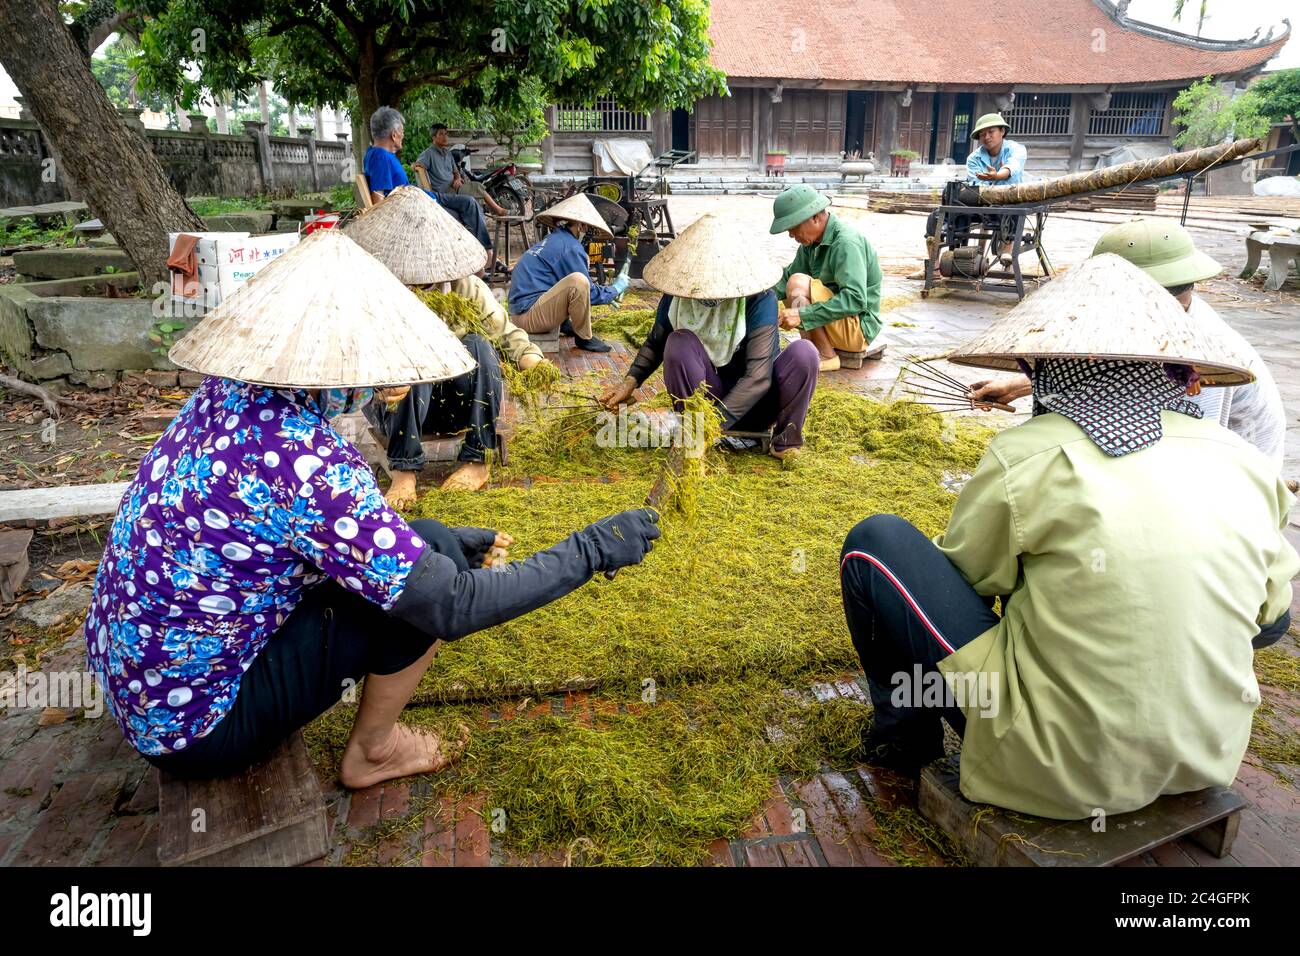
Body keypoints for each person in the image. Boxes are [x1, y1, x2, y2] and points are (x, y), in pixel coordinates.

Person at [85, 229, 660, 785]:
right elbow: (453, 608)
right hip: (193, 727)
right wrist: (590, 550)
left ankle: (428, 563)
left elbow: (306, 536)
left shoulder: (225, 395)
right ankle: (375, 753)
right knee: (419, 599)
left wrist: (442, 540)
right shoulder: (308, 467)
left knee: (431, 546)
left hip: (138, 675)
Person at [840, 253, 1296, 820]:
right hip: (1205, 755)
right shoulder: (1244, 461)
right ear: (1170, 366)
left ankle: (903, 737)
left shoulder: (1028, 453)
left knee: (875, 542)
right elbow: (1274, 618)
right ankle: (1169, 708)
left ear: (1049, 367)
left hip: (1053, 764)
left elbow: (972, 579)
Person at [972, 219, 1289, 477]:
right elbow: (1120, 372)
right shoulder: (1150, 322)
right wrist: (1020, 385)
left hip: (1231, 479)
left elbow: (1187, 446)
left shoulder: (1204, 358)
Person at [344, 186, 555, 497]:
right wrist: (379, 383)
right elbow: (352, 352)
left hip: (453, 404)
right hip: (392, 406)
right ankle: (404, 471)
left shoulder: (462, 285)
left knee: (480, 347)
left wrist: (531, 360)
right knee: (415, 354)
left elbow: (503, 330)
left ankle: (477, 460)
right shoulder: (374, 289)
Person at [597, 214, 820, 461]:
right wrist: (629, 382)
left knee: (805, 353)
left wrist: (713, 425)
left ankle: (785, 440)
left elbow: (758, 377)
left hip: (758, 404)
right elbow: (656, 342)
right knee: (678, 341)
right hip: (705, 400)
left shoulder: (759, 298)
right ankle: (693, 433)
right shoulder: (678, 294)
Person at [770, 184, 883, 372]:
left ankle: (825, 355)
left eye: (793, 227)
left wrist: (801, 314)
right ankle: (812, 351)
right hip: (838, 326)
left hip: (857, 330)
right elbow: (784, 282)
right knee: (793, 282)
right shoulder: (810, 245)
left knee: (798, 283)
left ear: (814, 217)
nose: (791, 235)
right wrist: (752, 297)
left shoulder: (846, 243)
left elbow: (855, 300)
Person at [362, 107, 495, 267]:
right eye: (402, 131)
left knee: (469, 204)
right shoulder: (380, 157)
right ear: (394, 133)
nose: (403, 135)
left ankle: (486, 255)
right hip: (419, 207)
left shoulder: (377, 154)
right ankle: (483, 258)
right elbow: (378, 200)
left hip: (424, 197)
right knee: (464, 210)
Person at [508, 192, 623, 353]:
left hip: (521, 312)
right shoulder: (570, 248)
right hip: (528, 318)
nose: (589, 232)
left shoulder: (555, 239)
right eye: (588, 227)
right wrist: (615, 289)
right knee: (578, 281)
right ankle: (584, 338)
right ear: (581, 225)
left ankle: (565, 323)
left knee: (563, 278)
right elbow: (588, 292)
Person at [414, 123, 508, 217]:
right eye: (441, 134)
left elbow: (456, 172)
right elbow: (417, 166)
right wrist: (428, 191)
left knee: (476, 187)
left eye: (446, 134)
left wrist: (457, 179)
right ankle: (498, 210)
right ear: (434, 137)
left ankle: (491, 212)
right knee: (477, 187)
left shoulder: (447, 153)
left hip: (455, 187)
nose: (445, 137)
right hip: (443, 193)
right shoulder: (428, 154)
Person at [964, 113, 1027, 187]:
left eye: (991, 132)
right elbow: (976, 185)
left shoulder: (1017, 149)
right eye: (982, 134)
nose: (987, 137)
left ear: (1002, 131)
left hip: (1013, 196)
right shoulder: (973, 159)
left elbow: (1012, 166)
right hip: (984, 197)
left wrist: (997, 176)